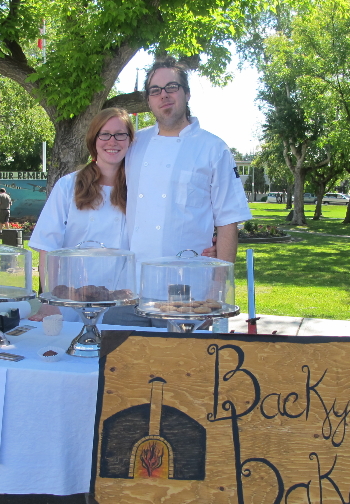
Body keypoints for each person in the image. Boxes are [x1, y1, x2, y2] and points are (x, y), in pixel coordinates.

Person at [106, 58, 252, 327]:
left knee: (180, 366)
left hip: (188, 290)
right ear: (148, 101)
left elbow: (228, 221)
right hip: (130, 287)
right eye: (155, 90)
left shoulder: (213, 148)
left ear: (187, 93)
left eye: (171, 87)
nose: (164, 95)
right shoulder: (135, 143)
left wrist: (215, 294)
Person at [28, 108, 134, 321]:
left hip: (121, 304)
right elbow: (48, 247)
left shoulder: (138, 189)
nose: (112, 141)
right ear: (93, 140)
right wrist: (49, 302)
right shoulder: (68, 186)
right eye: (104, 134)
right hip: (69, 300)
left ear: (130, 141)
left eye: (120, 134)